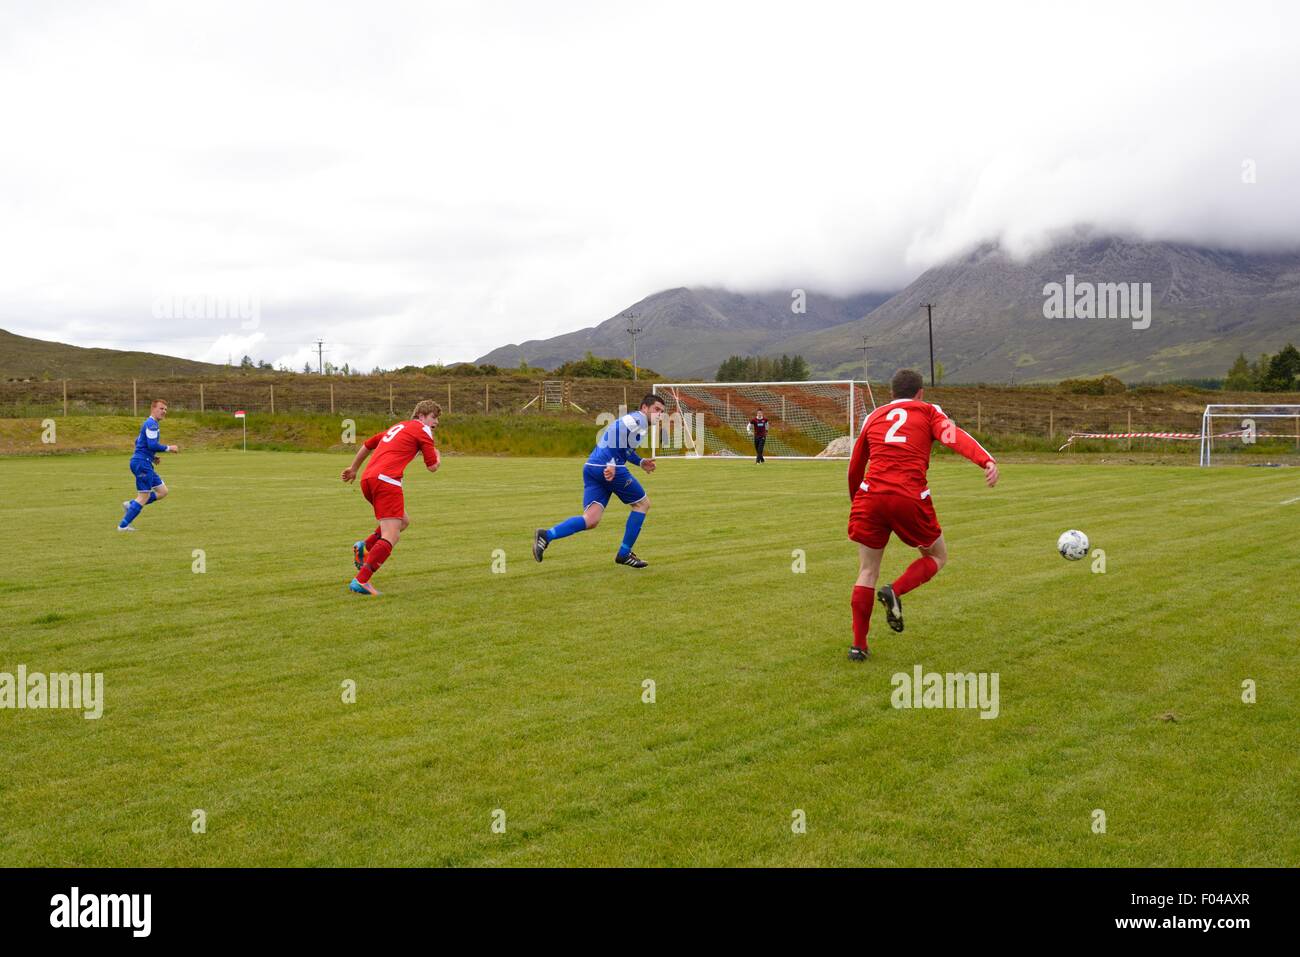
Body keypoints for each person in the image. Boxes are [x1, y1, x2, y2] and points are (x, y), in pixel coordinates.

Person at [844, 369, 998, 660]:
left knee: (866, 570)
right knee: (936, 556)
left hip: (870, 497)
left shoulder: (873, 416)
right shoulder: (928, 411)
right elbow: (954, 437)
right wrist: (985, 460)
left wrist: (857, 501)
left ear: (891, 394)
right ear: (920, 393)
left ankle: (858, 646)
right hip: (908, 496)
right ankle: (896, 590)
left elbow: (855, 465)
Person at [533, 394, 663, 568]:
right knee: (642, 504)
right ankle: (624, 553)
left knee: (591, 519)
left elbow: (624, 447)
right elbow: (615, 434)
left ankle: (546, 535)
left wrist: (640, 462)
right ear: (644, 408)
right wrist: (611, 464)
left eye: (662, 412)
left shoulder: (634, 421)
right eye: (656, 409)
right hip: (608, 467)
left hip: (592, 466)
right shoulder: (638, 419)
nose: (659, 414)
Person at [340, 399, 442, 595]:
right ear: (421, 416)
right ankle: (361, 581)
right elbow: (432, 467)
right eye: (433, 417)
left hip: (368, 480)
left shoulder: (398, 426)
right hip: (387, 481)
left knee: (403, 521)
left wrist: (354, 469)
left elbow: (368, 444)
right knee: (391, 534)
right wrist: (438, 456)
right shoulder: (423, 430)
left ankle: (365, 546)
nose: (435, 422)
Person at [118, 399, 178, 531]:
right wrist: (169, 448)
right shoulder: (152, 424)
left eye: (165, 409)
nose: (164, 411)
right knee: (144, 496)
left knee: (162, 491)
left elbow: (137, 441)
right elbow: (151, 444)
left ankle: (132, 505)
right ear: (153, 409)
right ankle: (123, 526)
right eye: (161, 409)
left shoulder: (149, 423)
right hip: (141, 463)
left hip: (144, 461)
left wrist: (152, 456)